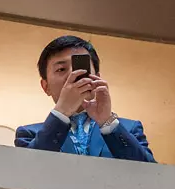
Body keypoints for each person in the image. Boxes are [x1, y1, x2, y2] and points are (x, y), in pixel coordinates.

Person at [15, 34, 154, 162]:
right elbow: (27, 170)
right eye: (61, 69)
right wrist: (61, 112)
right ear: (45, 86)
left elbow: (151, 174)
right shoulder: (29, 134)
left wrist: (107, 122)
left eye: (80, 67)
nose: (73, 75)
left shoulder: (129, 129)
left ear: (97, 77)